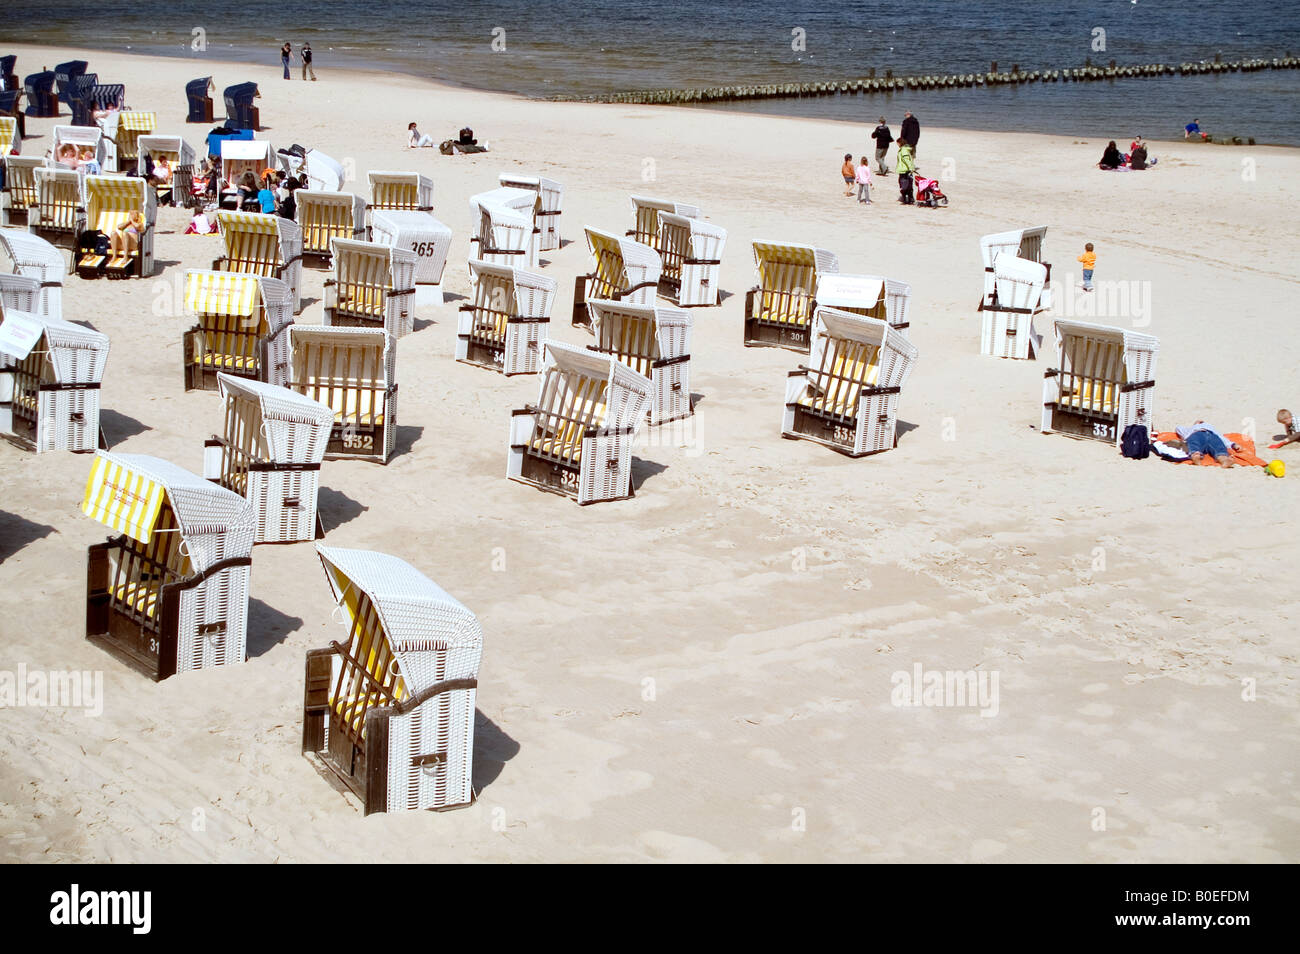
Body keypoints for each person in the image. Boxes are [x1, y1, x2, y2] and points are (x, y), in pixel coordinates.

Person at [1173, 421, 1239, 467]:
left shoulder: (1211, 428)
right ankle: (1196, 455)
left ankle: (1224, 460)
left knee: (1218, 447)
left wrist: (1233, 444)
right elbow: (1178, 428)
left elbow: (1221, 438)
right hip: (1199, 434)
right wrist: (1233, 444)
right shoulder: (1191, 429)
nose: (1201, 421)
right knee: (1194, 444)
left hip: (1207, 435)